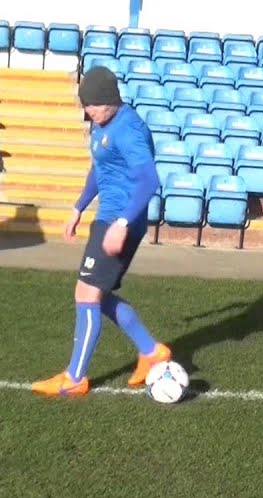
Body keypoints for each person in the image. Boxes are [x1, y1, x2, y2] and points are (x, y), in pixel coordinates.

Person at [32, 66, 172, 397]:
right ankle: (152, 352)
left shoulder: (129, 129)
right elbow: (101, 169)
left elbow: (149, 180)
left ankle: (75, 378)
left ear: (109, 100)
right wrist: (78, 208)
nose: (88, 111)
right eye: (85, 105)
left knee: (86, 294)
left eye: (92, 105)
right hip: (107, 218)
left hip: (120, 221)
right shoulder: (101, 125)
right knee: (99, 295)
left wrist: (122, 224)